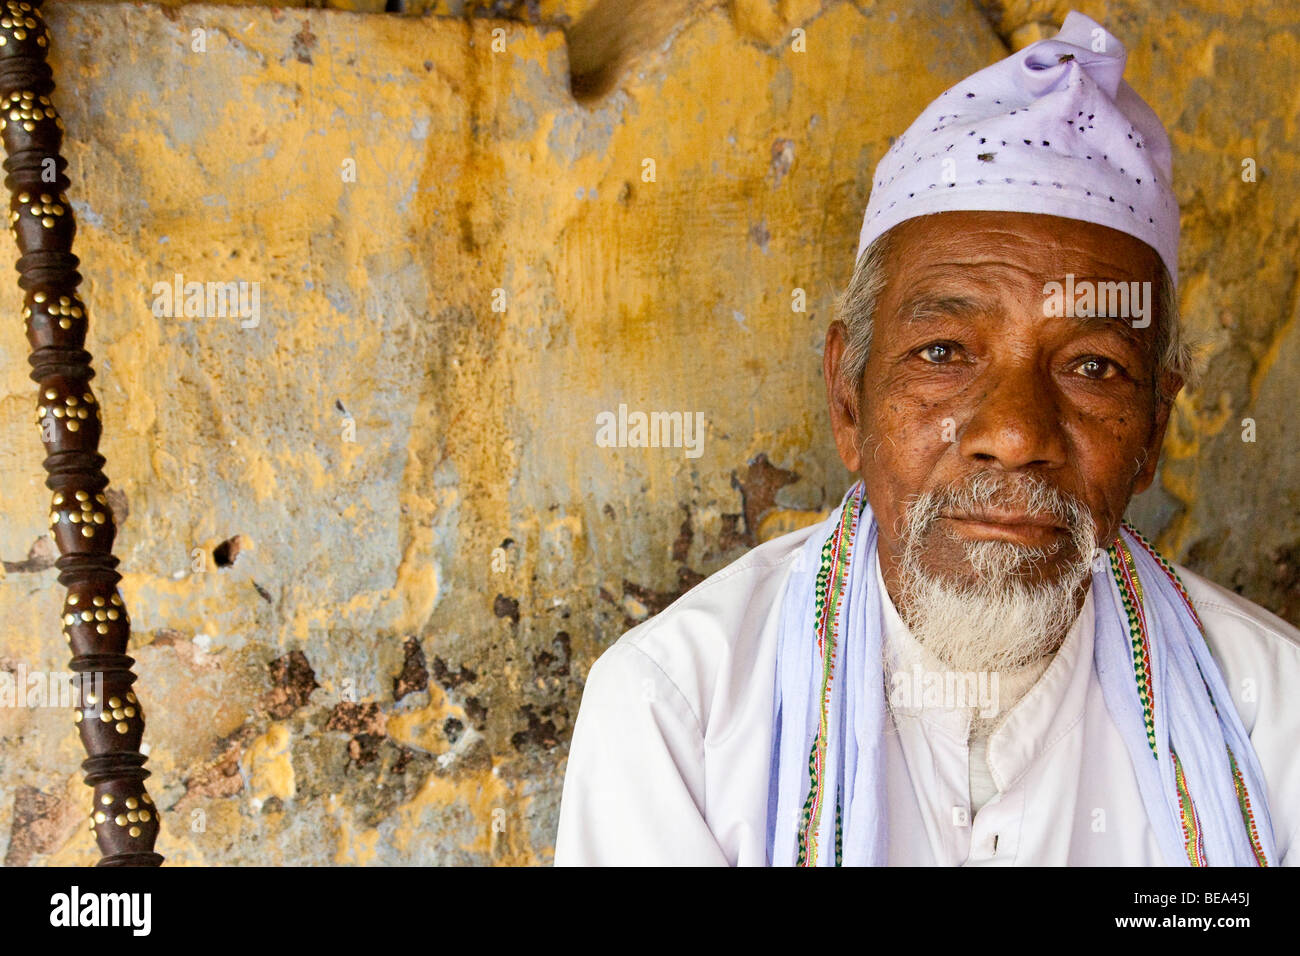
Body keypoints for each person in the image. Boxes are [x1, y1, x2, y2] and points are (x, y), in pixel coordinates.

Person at [553, 10, 1300, 866]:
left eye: (1093, 368)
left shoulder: (1275, 726)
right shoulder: (679, 717)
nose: (1016, 434)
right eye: (943, 353)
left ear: (1155, 429)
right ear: (848, 398)